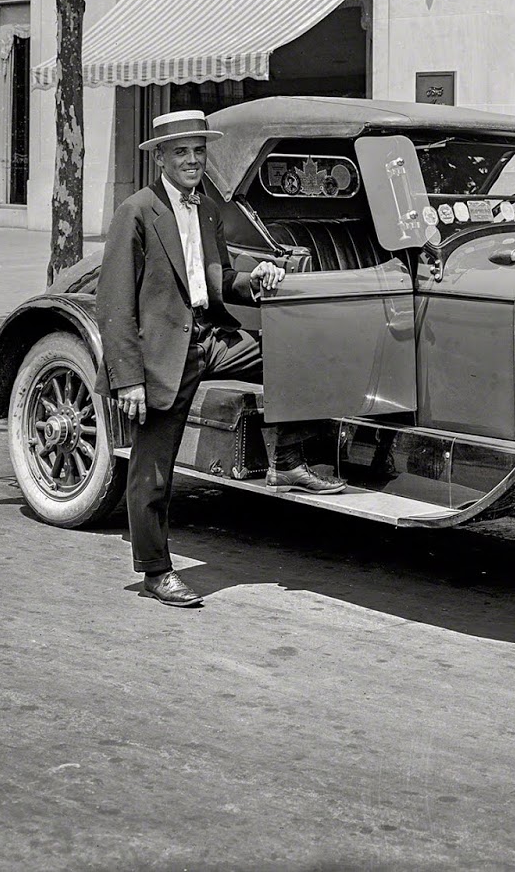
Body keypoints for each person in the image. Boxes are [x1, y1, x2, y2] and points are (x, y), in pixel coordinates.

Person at [97, 109, 344, 609]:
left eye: (198, 151)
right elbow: (113, 301)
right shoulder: (137, 211)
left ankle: (288, 461)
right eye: (181, 152)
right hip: (162, 352)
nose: (192, 160)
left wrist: (256, 278)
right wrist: (128, 380)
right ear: (160, 158)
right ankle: (156, 572)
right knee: (153, 468)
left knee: (291, 355)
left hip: (212, 337)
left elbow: (218, 278)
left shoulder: (207, 208)